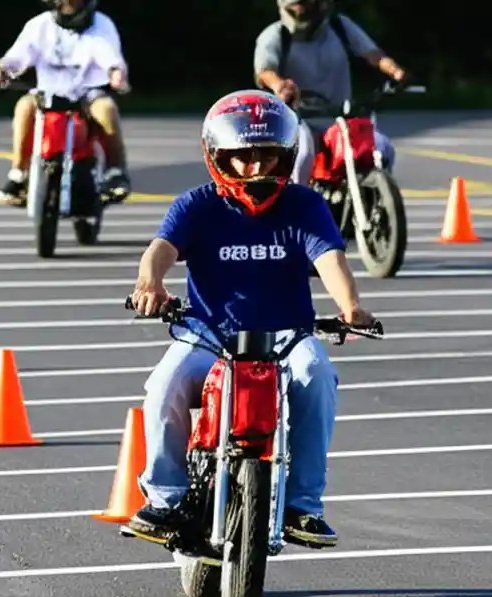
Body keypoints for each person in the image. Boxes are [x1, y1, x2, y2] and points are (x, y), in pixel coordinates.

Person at [126, 90, 378, 548]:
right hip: (209, 334)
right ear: (218, 157)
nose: (256, 167)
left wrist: (350, 307)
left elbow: (330, 259)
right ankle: (165, 499)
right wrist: (151, 285)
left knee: (318, 374)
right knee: (162, 385)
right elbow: (159, 251)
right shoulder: (196, 204)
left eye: (267, 155)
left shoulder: (305, 205)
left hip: (287, 336)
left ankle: (304, 505)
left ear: (287, 157)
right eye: (243, 157)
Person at [0, 0, 132, 206]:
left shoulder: (101, 24)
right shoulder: (39, 25)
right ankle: (18, 174)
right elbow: (17, 56)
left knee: (107, 109)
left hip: (87, 94)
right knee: (24, 107)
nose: (69, 5)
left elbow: (111, 57)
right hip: (48, 93)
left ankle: (115, 172)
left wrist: (116, 73)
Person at [253, 0, 409, 184]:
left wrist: (396, 72)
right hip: (301, 119)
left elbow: (373, 54)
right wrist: (280, 85)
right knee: (303, 154)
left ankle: (378, 203)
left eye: (306, 4)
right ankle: (298, 206)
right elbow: (265, 71)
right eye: (295, 6)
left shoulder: (340, 27)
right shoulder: (275, 35)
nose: (301, 9)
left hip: (342, 117)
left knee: (383, 149)